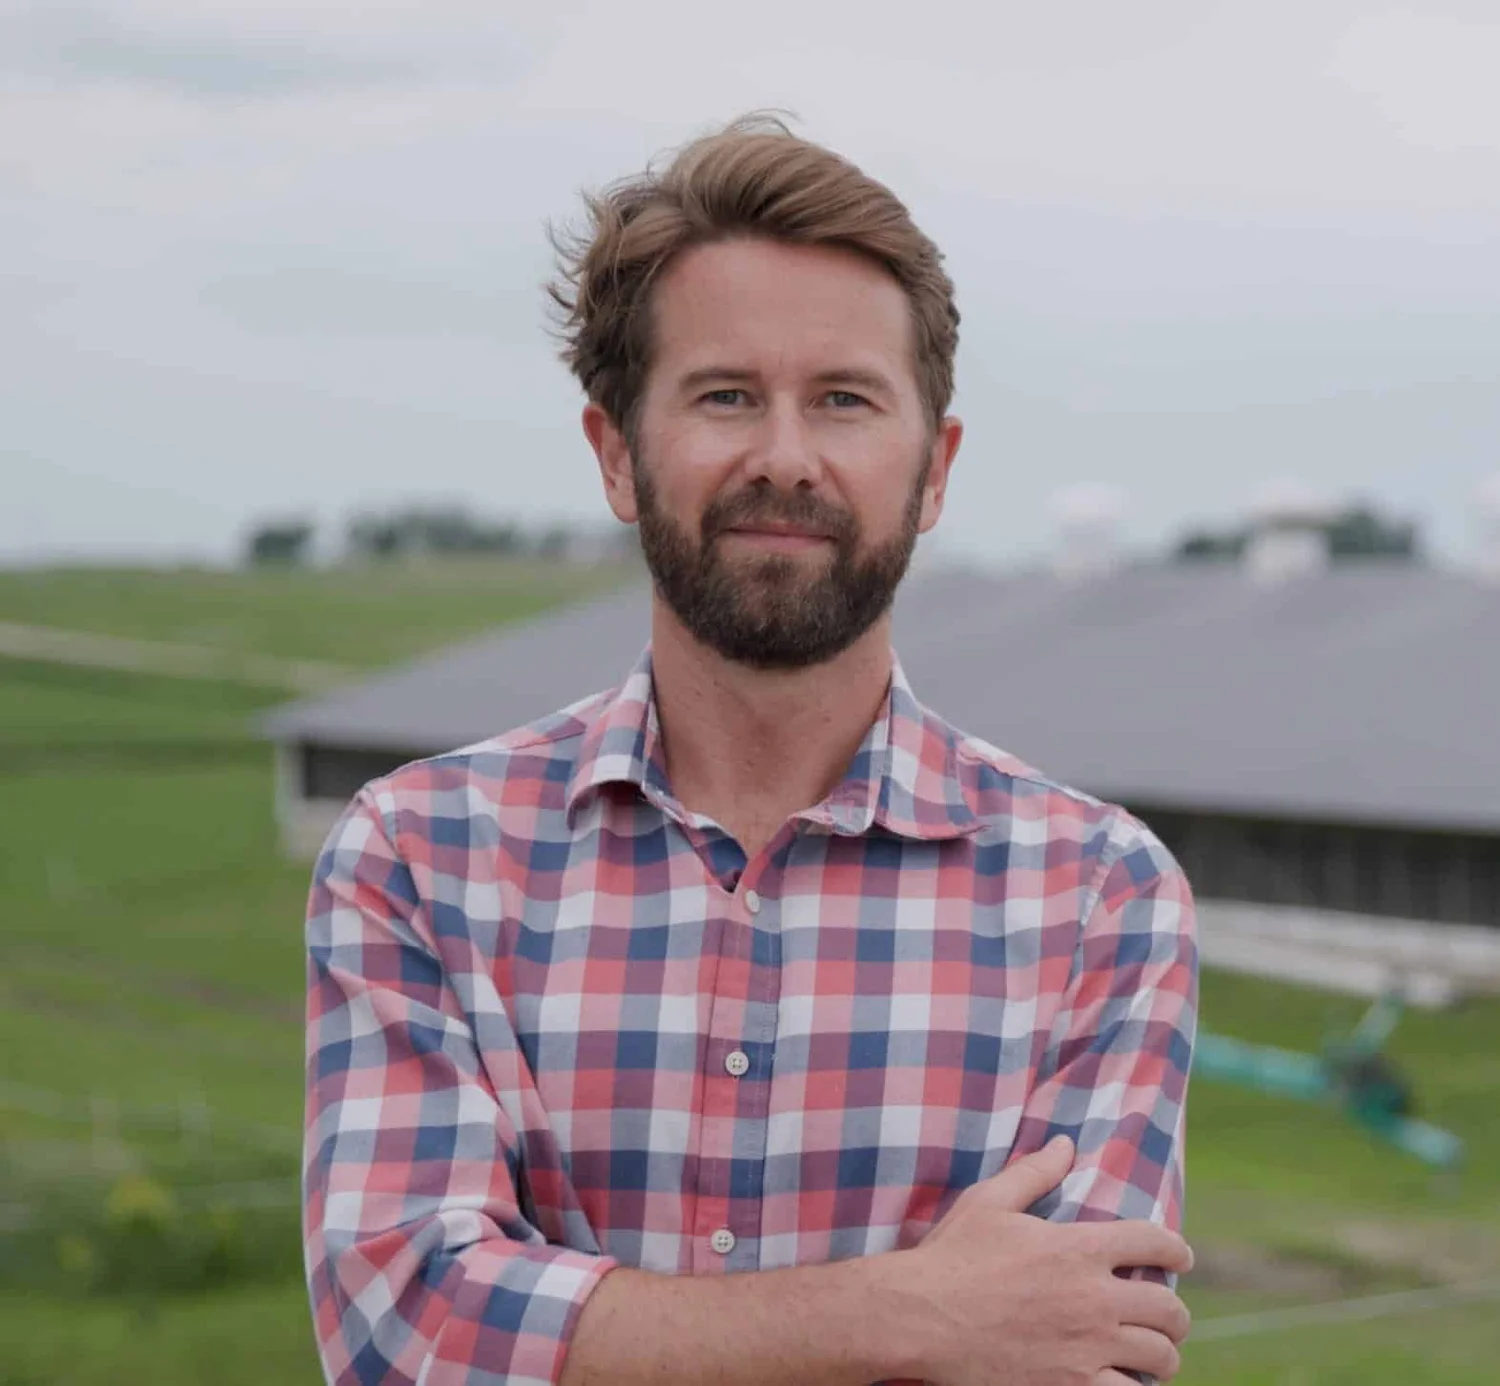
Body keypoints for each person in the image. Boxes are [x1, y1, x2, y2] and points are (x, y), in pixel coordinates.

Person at [302, 115, 1198, 1386]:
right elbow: (407, 1334)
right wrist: (912, 1317)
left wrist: (574, 1329)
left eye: (844, 400)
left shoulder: (1100, 897)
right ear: (617, 454)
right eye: (726, 396)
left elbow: (1077, 1358)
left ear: (933, 472)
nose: (786, 458)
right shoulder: (420, 859)